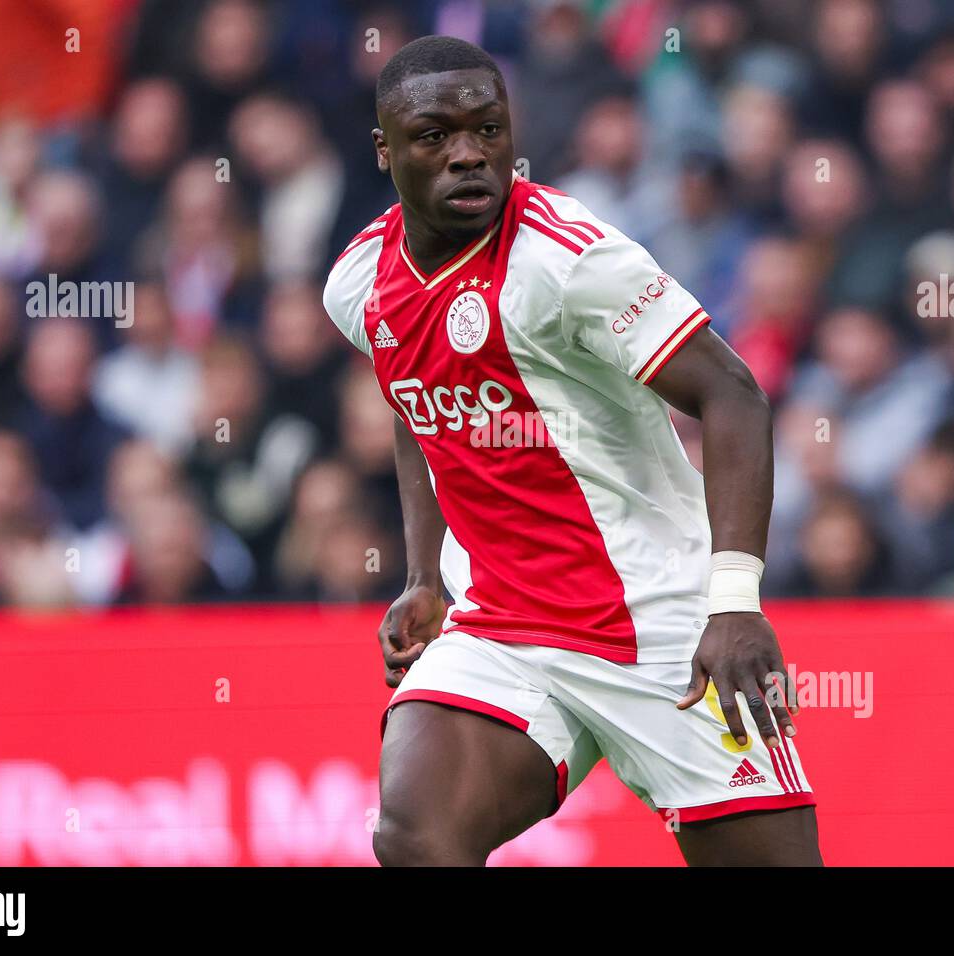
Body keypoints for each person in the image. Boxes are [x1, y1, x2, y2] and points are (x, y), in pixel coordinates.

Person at [323, 36, 820, 867]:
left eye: (488, 129)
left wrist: (734, 602)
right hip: (502, 627)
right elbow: (413, 398)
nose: (468, 155)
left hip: (662, 625)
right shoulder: (359, 284)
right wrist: (421, 573)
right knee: (415, 836)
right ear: (385, 151)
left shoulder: (569, 259)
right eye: (434, 137)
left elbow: (733, 396)